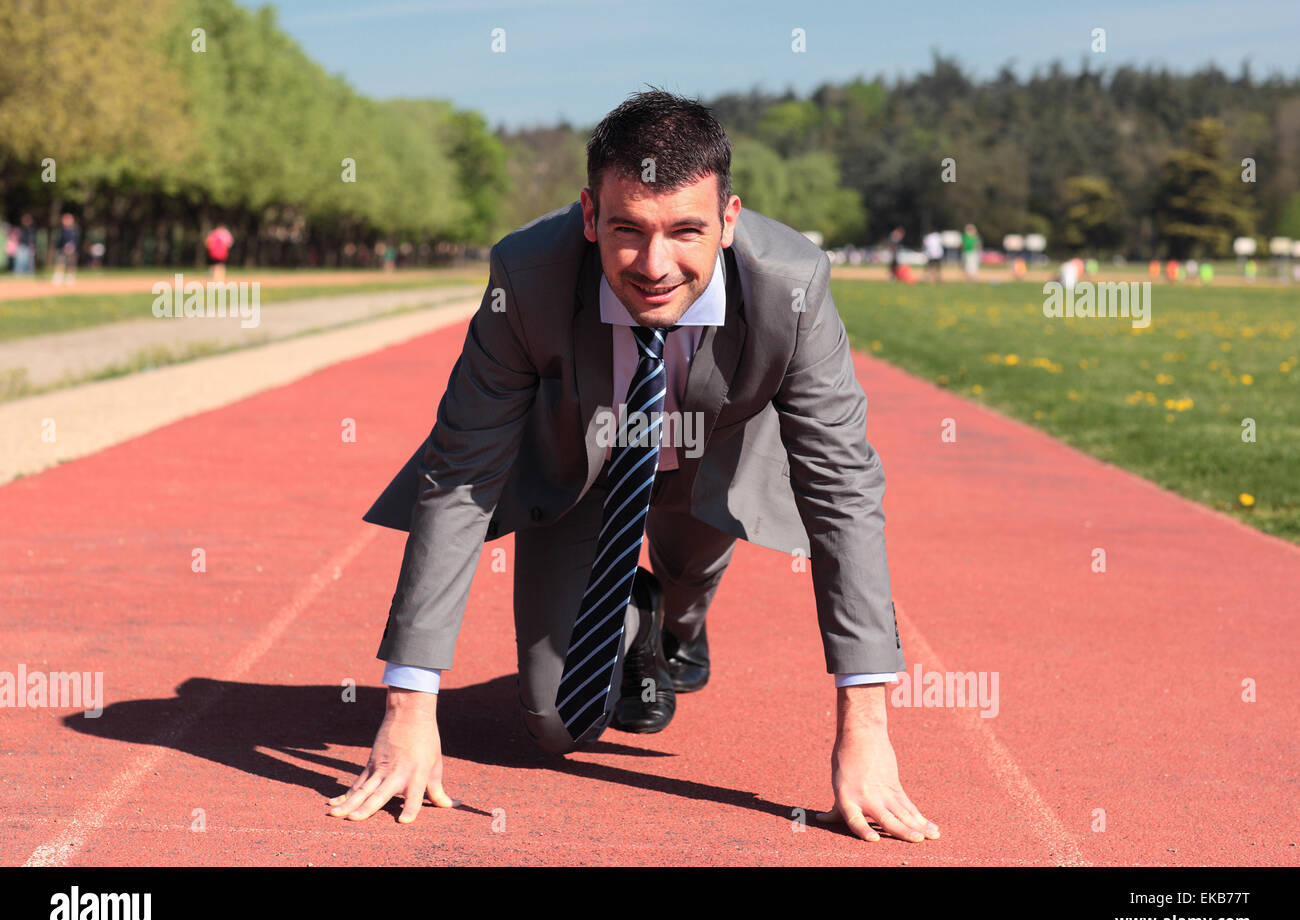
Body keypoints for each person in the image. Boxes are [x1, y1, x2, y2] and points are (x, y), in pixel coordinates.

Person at [329, 89, 939, 846]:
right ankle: (629, 616)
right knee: (557, 726)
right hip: (582, 467)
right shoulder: (525, 276)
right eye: (627, 231)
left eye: (686, 231)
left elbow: (841, 485)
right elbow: (461, 474)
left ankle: (667, 619)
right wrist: (408, 708)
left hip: (713, 460)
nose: (655, 266)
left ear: (730, 218)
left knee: (685, 592)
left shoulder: (792, 284)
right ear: (590, 217)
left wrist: (867, 725)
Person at [51, 212, 79, 285]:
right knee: (60, 264)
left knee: (71, 265)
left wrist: (72, 247)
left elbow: (76, 240)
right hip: (61, 250)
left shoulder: (74, 230)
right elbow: (58, 241)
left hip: (72, 251)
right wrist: (63, 247)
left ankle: (70, 279)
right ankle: (58, 278)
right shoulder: (61, 230)